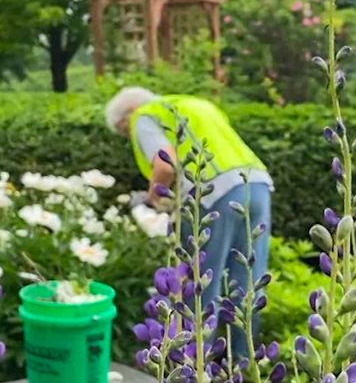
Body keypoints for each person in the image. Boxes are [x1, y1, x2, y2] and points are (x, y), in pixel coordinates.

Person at [105, 87, 272, 356]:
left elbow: (165, 166)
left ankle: (196, 371)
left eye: (125, 132)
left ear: (126, 117)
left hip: (213, 193)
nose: (131, 137)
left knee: (202, 286)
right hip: (257, 184)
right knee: (246, 283)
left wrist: (153, 201)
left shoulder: (144, 117)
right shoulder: (194, 103)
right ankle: (243, 364)